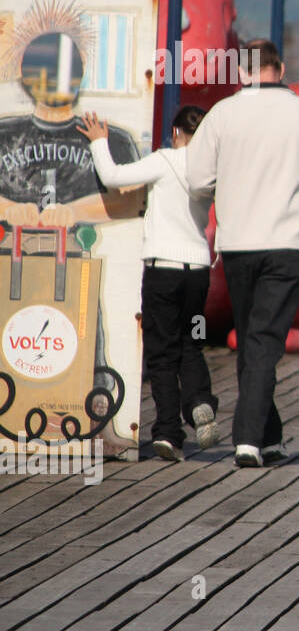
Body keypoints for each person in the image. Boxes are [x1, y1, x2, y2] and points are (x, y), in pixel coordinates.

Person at [186, 39, 299, 468]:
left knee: (255, 334)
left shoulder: (223, 113)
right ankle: (250, 439)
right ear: (281, 68)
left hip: (237, 244)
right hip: (288, 244)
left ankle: (268, 438)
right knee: (264, 338)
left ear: (242, 71)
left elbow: (198, 179)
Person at [78, 105, 218, 461]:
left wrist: (99, 142)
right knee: (192, 341)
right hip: (198, 271)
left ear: (175, 134)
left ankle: (169, 433)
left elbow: (113, 177)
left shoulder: (164, 161)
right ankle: (200, 401)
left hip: (163, 270)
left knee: (161, 352)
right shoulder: (211, 170)